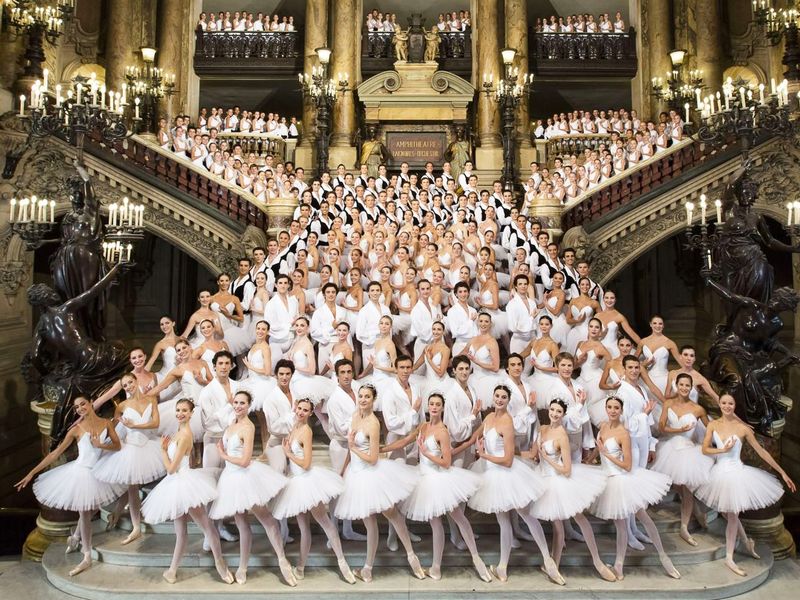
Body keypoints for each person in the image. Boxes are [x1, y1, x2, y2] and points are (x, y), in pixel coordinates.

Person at [454, 385, 564, 585]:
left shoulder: (507, 422)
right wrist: (452, 454)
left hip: (506, 474)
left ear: (508, 400)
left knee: (526, 515)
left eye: (503, 397)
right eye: (497, 396)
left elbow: (508, 460)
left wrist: (485, 454)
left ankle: (548, 561)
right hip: (490, 474)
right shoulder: (488, 418)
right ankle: (502, 566)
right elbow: (472, 439)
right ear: (493, 397)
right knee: (503, 521)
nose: (499, 399)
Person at [381, 393, 490, 582]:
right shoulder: (423, 426)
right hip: (424, 478)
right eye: (431, 404)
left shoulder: (442, 431)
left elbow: (446, 462)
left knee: (458, 517)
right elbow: (405, 441)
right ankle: (436, 566)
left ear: (442, 408)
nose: (433, 407)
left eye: (437, 404)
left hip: (440, 478)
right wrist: (381, 449)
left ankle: (476, 557)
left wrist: (425, 453)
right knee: (435, 523)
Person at [15, 396, 123, 577]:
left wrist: (101, 445)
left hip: (98, 471)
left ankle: (74, 538)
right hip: (80, 473)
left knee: (91, 509)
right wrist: (32, 473)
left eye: (83, 404)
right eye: (77, 407)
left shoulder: (107, 423)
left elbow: (118, 446)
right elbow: (55, 453)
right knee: (86, 513)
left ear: (90, 404)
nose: (80, 408)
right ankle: (86, 554)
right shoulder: (76, 429)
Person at [696, 394, 796, 577]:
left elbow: (762, 452)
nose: (727, 406)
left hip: (736, 474)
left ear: (735, 406)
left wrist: (782, 471)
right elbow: (704, 449)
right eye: (724, 403)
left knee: (732, 515)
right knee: (728, 513)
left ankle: (729, 557)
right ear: (719, 404)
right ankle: (746, 541)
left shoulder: (742, 429)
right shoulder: (712, 424)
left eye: (730, 403)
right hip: (719, 473)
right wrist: (722, 450)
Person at [334, 384, 424, 582]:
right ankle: (367, 568)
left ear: (373, 400)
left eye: (367, 397)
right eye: (361, 396)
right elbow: (351, 451)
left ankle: (412, 556)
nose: (363, 399)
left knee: (392, 514)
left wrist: (353, 448)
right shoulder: (355, 417)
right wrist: (343, 470)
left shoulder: (373, 423)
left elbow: (373, 457)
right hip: (355, 475)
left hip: (371, 473)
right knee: (369, 523)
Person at [140, 399, 234, 584]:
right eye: (178, 410)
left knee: (207, 527)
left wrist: (163, 451)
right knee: (181, 532)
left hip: (183, 483)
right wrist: (167, 450)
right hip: (177, 484)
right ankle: (172, 570)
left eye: (184, 410)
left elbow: (171, 469)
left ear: (191, 414)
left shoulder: (184, 436)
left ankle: (220, 564)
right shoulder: (178, 433)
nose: (180, 413)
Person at [208, 391, 296, 586]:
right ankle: (242, 567)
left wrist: (223, 456)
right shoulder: (231, 425)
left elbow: (245, 460)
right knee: (241, 524)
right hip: (230, 479)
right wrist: (225, 455)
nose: (238, 406)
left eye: (242, 403)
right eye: (236, 402)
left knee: (266, 519)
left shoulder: (248, 427)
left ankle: (283, 560)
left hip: (245, 477)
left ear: (248, 406)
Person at [591, 396, 680, 581]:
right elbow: (600, 448)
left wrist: (606, 453)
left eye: (616, 407)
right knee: (621, 525)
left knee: (644, 518)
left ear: (621, 411)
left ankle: (664, 556)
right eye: (610, 407)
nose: (613, 410)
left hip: (623, 480)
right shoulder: (603, 427)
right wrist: (592, 457)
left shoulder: (623, 432)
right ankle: (619, 566)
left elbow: (628, 465)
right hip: (608, 479)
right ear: (606, 409)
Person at [526, 399, 617, 582]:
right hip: (543, 479)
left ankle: (597, 562)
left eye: (558, 411)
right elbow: (533, 454)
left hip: (560, 480)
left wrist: (548, 459)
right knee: (557, 526)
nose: (554, 413)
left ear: (563, 414)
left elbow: (567, 470)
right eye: (552, 409)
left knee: (580, 519)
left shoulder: (562, 436)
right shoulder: (543, 429)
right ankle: (554, 566)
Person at [270, 398, 356, 584]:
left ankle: (342, 563)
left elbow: (307, 463)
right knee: (303, 527)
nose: (301, 412)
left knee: (324, 522)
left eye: (305, 410)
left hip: (307, 481)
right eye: (299, 408)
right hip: (296, 483)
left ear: (310, 413)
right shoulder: (293, 427)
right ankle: (300, 565)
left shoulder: (307, 431)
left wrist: (288, 454)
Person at [93, 373, 164, 546]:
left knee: (135, 484)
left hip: (148, 444)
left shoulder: (151, 400)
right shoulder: (122, 406)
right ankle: (136, 527)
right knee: (132, 487)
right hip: (131, 447)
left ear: (136, 381)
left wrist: (136, 425)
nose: (129, 387)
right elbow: (116, 428)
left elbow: (155, 423)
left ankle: (118, 513)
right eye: (125, 385)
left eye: (130, 382)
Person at [652, 373, 713, 546]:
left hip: (688, 449)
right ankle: (697, 509)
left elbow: (711, 429)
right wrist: (678, 431)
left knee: (687, 489)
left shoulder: (698, 409)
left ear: (691, 387)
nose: (685, 388)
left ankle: (684, 527)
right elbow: (662, 426)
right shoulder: (668, 403)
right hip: (670, 447)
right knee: (675, 484)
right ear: (676, 386)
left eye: (688, 385)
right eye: (682, 385)